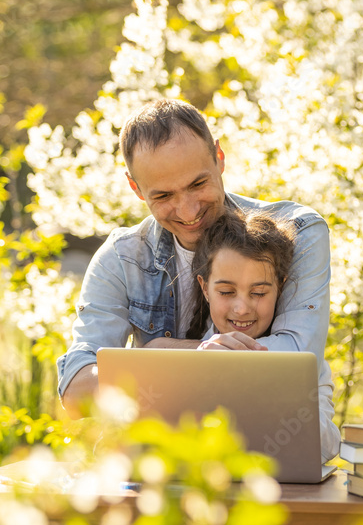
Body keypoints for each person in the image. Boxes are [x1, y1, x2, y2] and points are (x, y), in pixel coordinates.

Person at [56, 98, 341, 462]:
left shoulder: (297, 231)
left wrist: (162, 359)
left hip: (276, 456)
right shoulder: (121, 259)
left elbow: (297, 359)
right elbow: (77, 391)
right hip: (167, 465)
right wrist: (176, 357)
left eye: (198, 184)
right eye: (163, 196)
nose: (189, 211)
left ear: (219, 158)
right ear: (136, 188)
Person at [185, 209, 295, 343]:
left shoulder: (300, 355)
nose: (242, 310)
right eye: (226, 292)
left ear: (280, 288)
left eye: (258, 293)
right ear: (206, 289)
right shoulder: (186, 360)